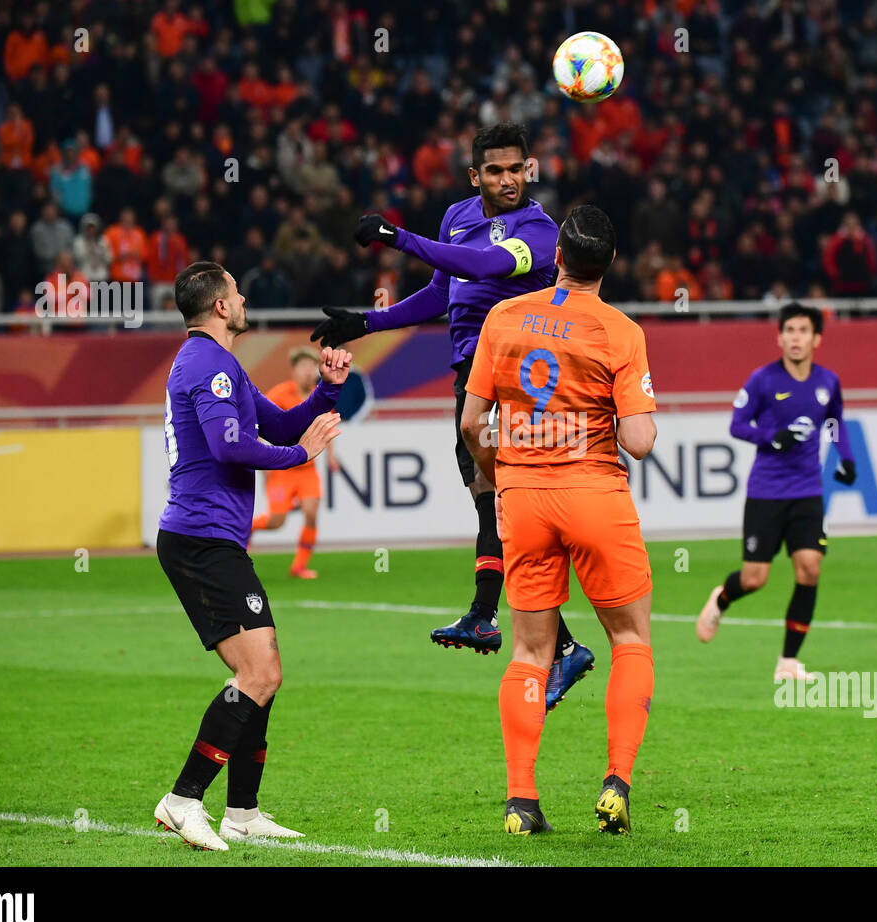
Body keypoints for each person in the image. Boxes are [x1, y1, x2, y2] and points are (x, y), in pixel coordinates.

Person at [309, 123, 593, 709]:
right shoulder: (456, 214)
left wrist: (394, 235)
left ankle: (494, 617)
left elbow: (483, 265)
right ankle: (541, 638)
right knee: (496, 504)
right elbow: (444, 289)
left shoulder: (539, 230)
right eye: (495, 171)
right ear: (475, 176)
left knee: (505, 502)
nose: (509, 180)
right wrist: (367, 323)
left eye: (517, 168)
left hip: (519, 376)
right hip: (474, 375)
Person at [460, 205, 658, 835]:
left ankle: (522, 801)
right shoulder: (621, 332)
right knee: (628, 638)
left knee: (529, 650)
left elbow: (470, 423)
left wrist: (495, 473)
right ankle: (616, 783)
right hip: (593, 492)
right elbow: (641, 440)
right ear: (610, 265)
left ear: (557, 257)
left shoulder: (504, 317)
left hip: (523, 499)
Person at [153, 260, 348, 851]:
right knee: (260, 672)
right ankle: (183, 799)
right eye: (236, 292)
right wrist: (300, 459)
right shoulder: (206, 364)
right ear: (219, 306)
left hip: (213, 539)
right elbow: (229, 445)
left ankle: (242, 811)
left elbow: (286, 425)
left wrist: (328, 388)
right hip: (200, 540)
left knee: (263, 674)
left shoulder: (222, 364)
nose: (243, 298)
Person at [695, 303, 856, 681]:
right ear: (779, 337)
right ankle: (721, 598)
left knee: (810, 569)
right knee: (755, 578)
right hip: (766, 492)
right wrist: (773, 438)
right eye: (789, 331)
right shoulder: (763, 380)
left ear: (816, 339)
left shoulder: (827, 381)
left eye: (803, 330)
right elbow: (737, 424)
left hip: (807, 491)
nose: (795, 337)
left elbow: (834, 421)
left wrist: (846, 459)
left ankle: (788, 662)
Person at [251, 346, 341, 578]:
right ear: (294, 371)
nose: (307, 372)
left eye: (311, 367)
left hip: (307, 469)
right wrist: (260, 455)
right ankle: (249, 528)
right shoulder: (280, 393)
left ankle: (299, 566)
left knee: (311, 512)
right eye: (302, 367)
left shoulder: (318, 397)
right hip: (283, 467)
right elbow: (260, 422)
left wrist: (331, 455)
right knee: (276, 521)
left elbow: (325, 427)